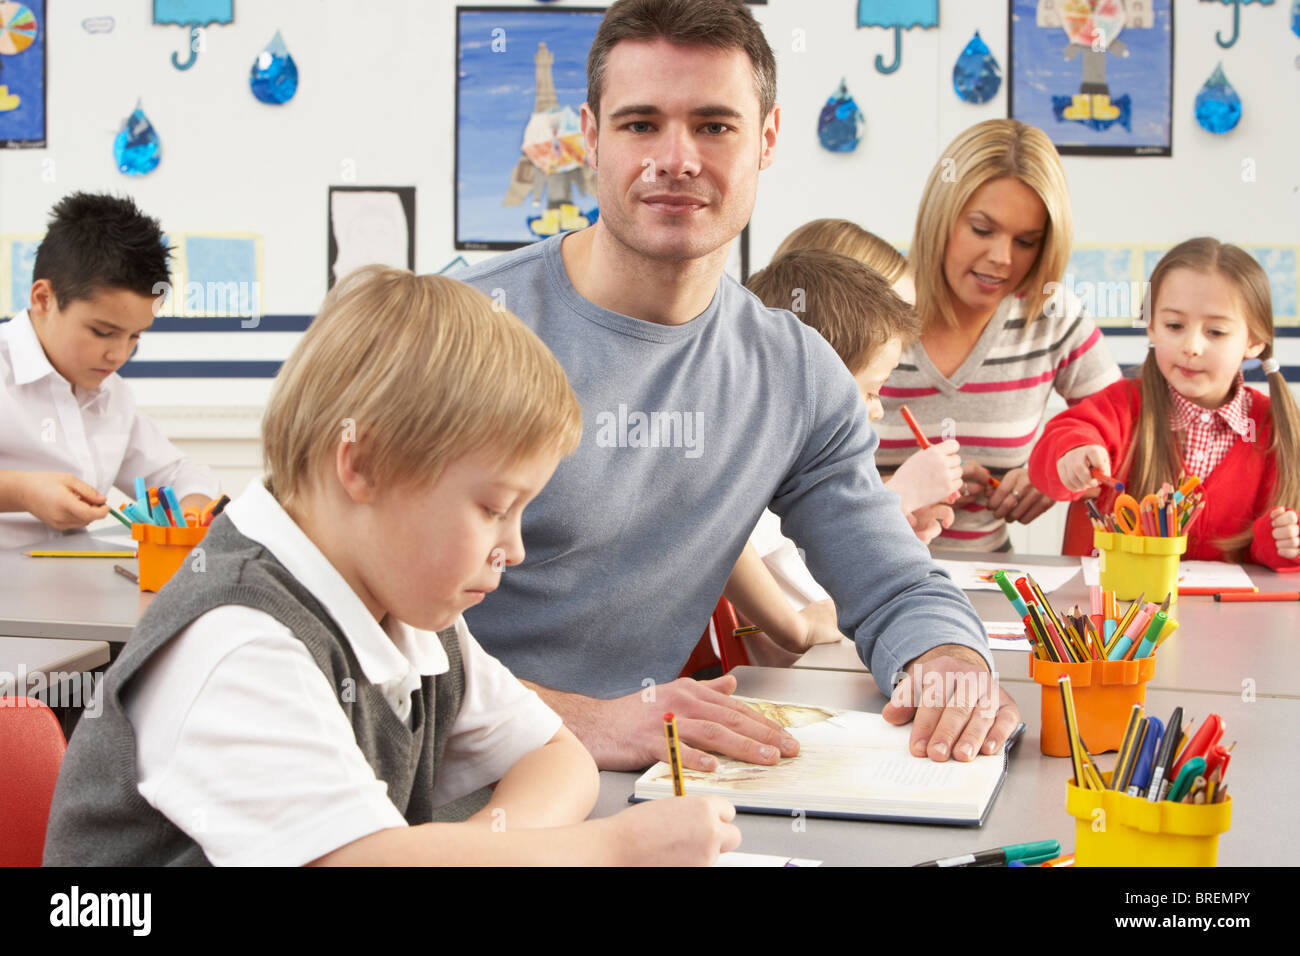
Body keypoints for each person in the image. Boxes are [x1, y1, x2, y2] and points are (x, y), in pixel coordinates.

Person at [457, 0, 1021, 773]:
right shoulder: (458, 328)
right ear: (589, 137)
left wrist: (949, 662)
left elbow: (893, 585)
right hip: (433, 785)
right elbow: (339, 617)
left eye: (715, 126)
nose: (678, 158)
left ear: (768, 140)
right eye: (641, 124)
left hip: (649, 789)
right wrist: (576, 724)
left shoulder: (797, 375)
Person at [44, 268, 741, 866]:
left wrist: (478, 854)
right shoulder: (237, 640)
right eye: (495, 507)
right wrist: (613, 850)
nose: (516, 546)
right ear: (364, 465)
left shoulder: (410, 612)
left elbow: (559, 757)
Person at [875, 119, 1121, 552]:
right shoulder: (870, 304)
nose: (1002, 259)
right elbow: (794, 470)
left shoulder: (1052, 316)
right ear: (941, 215)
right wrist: (900, 489)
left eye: (1026, 241)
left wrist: (1056, 473)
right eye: (982, 230)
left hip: (989, 586)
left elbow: (1124, 437)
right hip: (852, 592)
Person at [722, 249, 959, 666]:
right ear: (818, 380)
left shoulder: (799, 471)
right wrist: (793, 629)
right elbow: (726, 538)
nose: (878, 408)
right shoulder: (753, 467)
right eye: (870, 391)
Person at [1028, 238, 1300, 570]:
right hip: (1112, 617)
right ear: (1152, 327)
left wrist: (1277, 544)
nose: (1192, 346)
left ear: (1255, 341)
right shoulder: (1122, 405)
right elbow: (1056, 450)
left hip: (1225, 618)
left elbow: (1273, 562)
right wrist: (1070, 453)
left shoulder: (1273, 428)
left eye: (1215, 332)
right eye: (1174, 326)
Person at [0, 192, 219, 550]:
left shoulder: (110, 394)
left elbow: (179, 474)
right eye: (102, 332)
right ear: (43, 299)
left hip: (66, 593)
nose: (119, 354)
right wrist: (23, 492)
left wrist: (191, 511)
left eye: (135, 335)